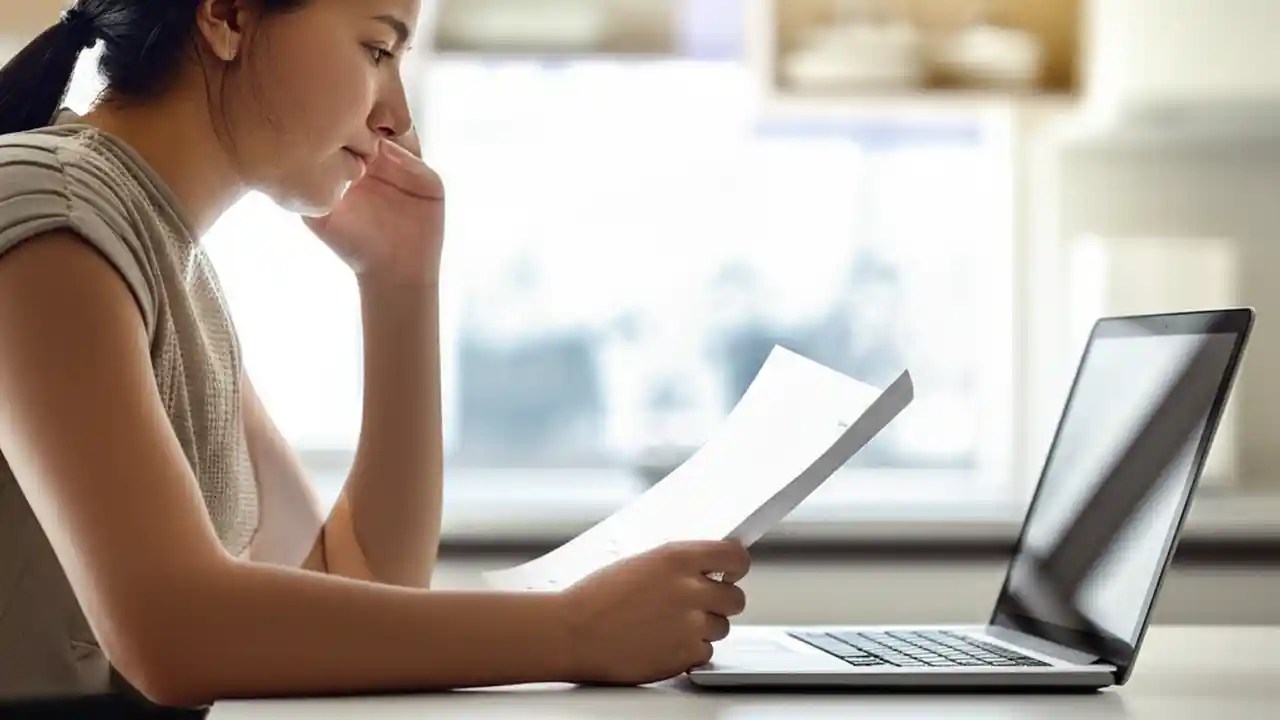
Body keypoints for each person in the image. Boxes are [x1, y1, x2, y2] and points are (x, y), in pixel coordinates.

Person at [0, 0, 750, 710]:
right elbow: (170, 631)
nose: (396, 117)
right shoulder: (53, 210)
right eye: (377, 48)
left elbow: (357, 579)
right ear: (227, 15)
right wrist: (574, 631)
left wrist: (398, 284)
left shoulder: (162, 258)